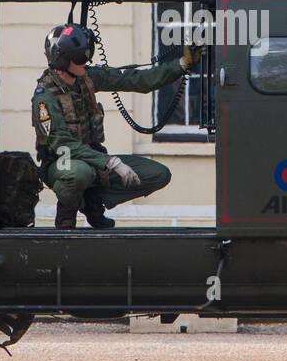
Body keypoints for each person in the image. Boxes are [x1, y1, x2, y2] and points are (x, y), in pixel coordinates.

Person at [32, 22, 203, 230]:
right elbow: (63, 143)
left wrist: (182, 64)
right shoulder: (45, 97)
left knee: (157, 173)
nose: (86, 60)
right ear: (62, 59)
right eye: (80, 57)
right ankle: (66, 218)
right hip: (62, 162)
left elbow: (136, 80)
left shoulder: (86, 77)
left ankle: (92, 201)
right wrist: (111, 163)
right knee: (78, 173)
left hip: (94, 162)